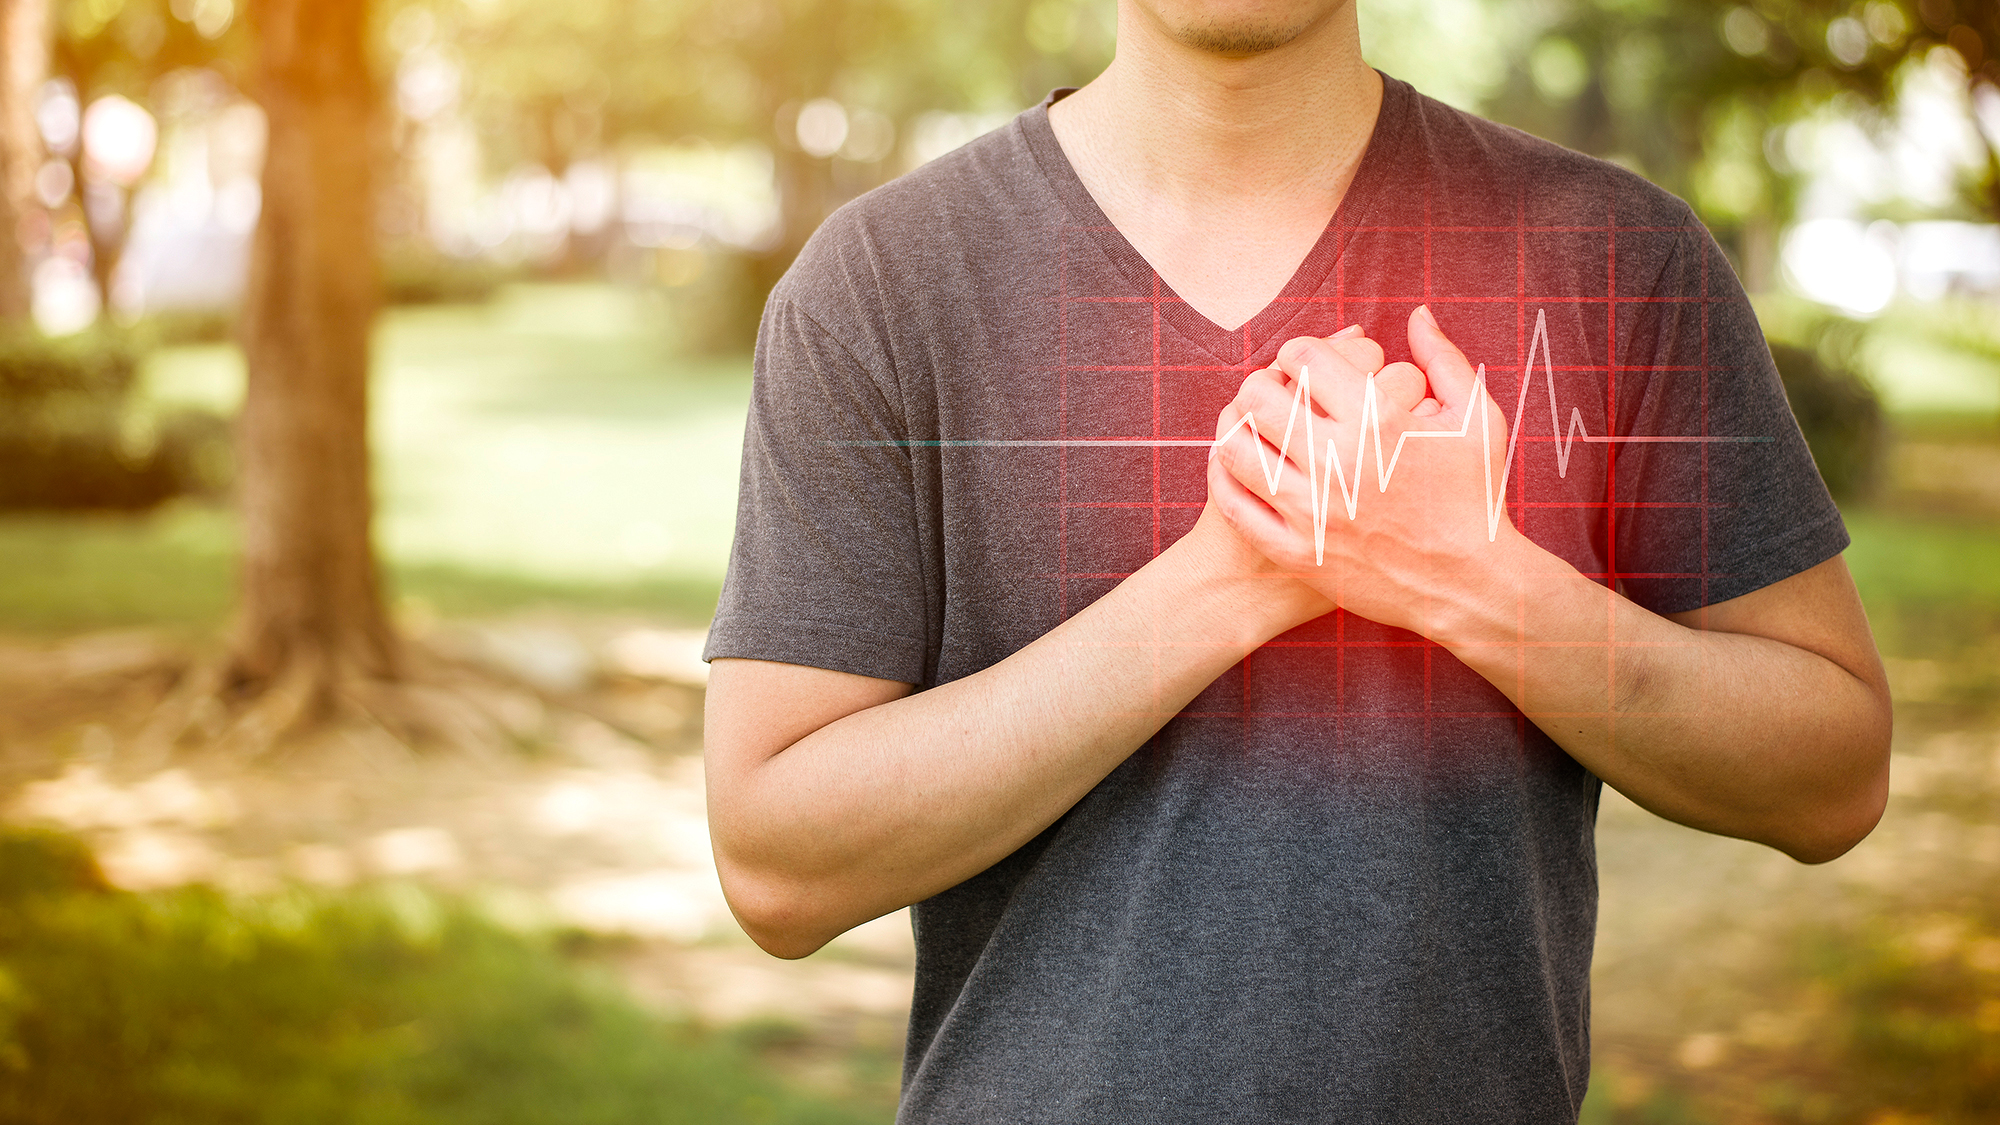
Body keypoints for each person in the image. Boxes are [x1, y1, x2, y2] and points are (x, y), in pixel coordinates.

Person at [701, 0, 1893, 1119]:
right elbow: (778, 867)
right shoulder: (880, 284)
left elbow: (1828, 775)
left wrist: (1472, 578)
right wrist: (1235, 576)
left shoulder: (1614, 257)